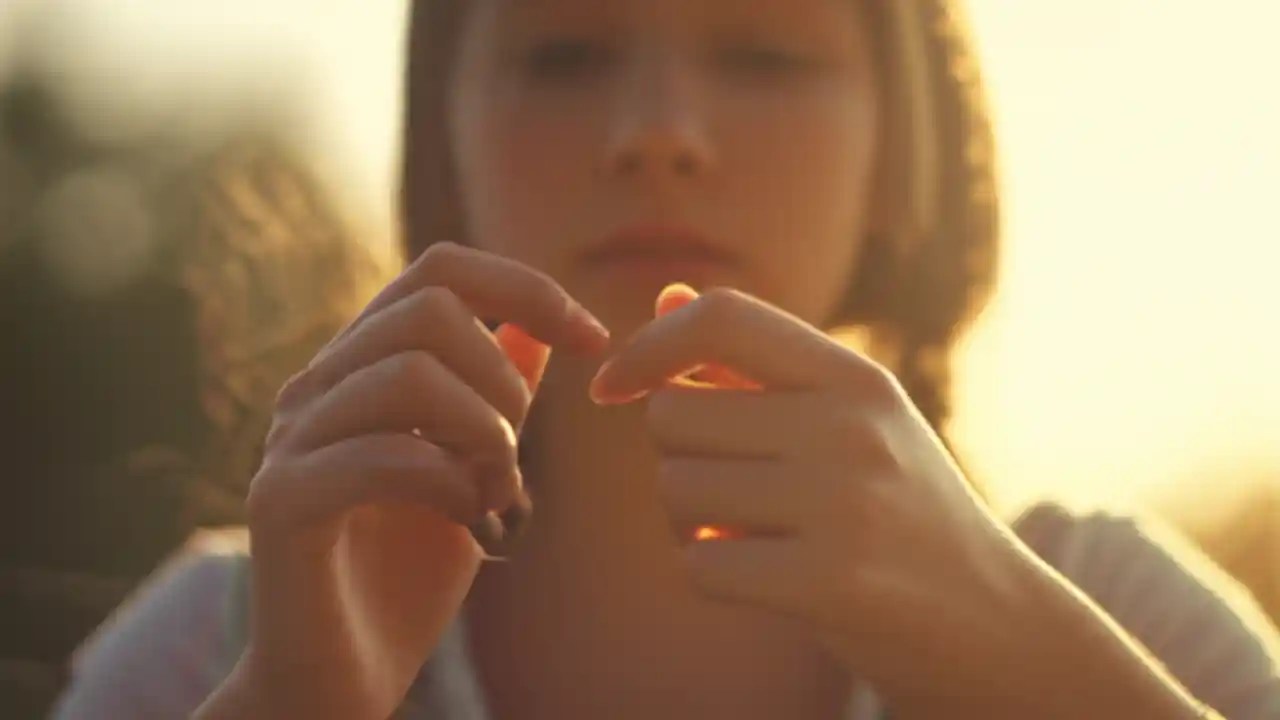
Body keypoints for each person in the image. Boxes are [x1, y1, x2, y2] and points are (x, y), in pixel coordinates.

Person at [52, 0, 1280, 718]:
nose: (655, 134)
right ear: (442, 146)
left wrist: (1026, 664)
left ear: (899, 159)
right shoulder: (223, 642)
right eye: (563, 54)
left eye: (763, 52)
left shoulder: (1112, 620)